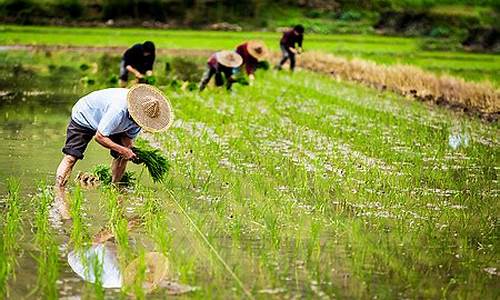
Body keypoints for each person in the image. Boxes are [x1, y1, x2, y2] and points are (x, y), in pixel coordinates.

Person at [54, 84, 173, 219]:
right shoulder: (118, 110)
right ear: (135, 112)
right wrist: (123, 149)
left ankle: (115, 188)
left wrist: (130, 152)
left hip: (111, 124)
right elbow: (100, 137)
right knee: (71, 157)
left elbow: (127, 141)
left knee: (123, 156)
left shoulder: (139, 120)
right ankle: (59, 193)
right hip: (85, 116)